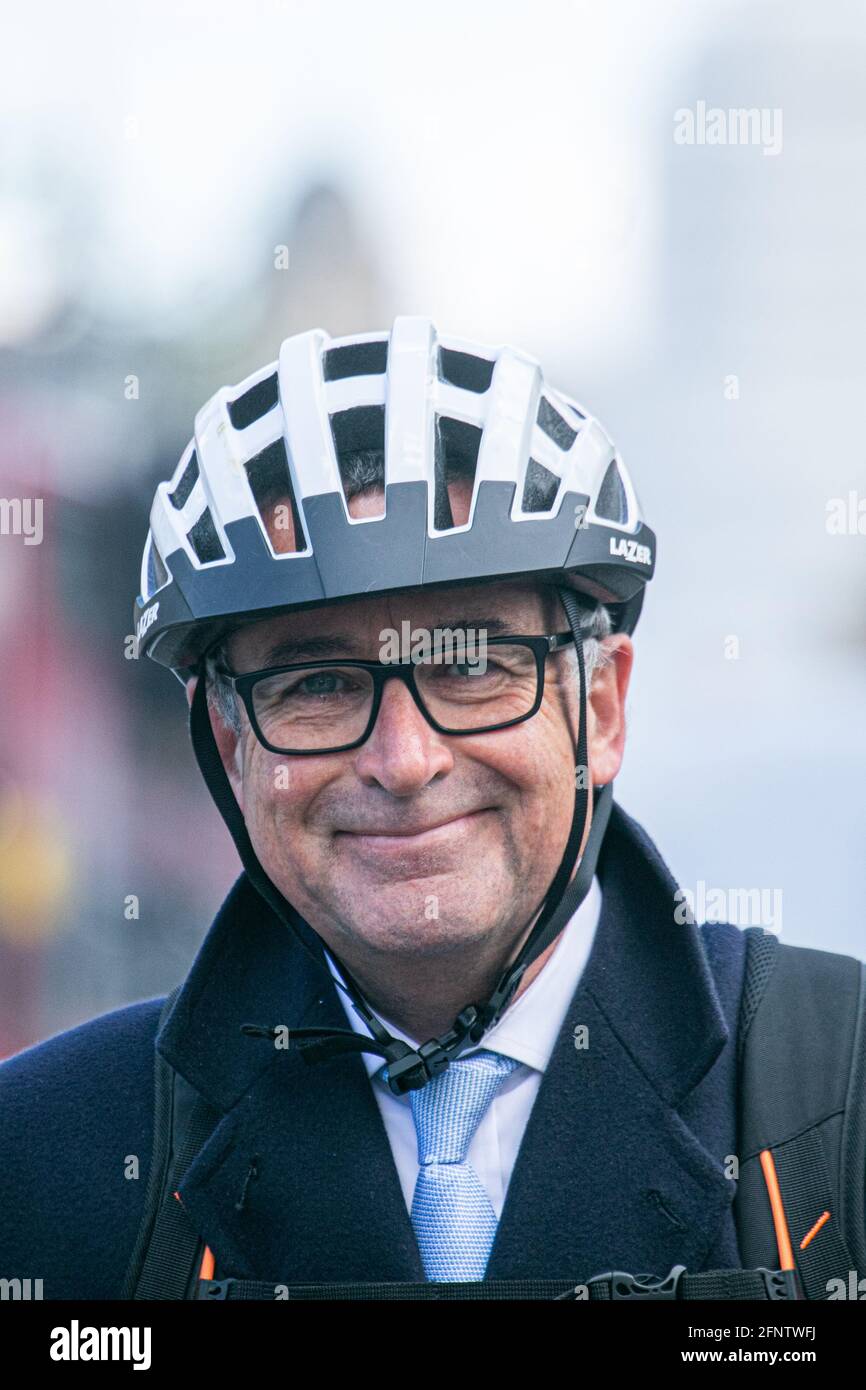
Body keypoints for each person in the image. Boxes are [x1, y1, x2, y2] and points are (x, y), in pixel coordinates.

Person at [1, 317, 864, 1302]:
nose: (402, 761)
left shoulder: (835, 1102)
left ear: (600, 706)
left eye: (469, 665)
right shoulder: (44, 1161)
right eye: (318, 683)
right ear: (232, 747)